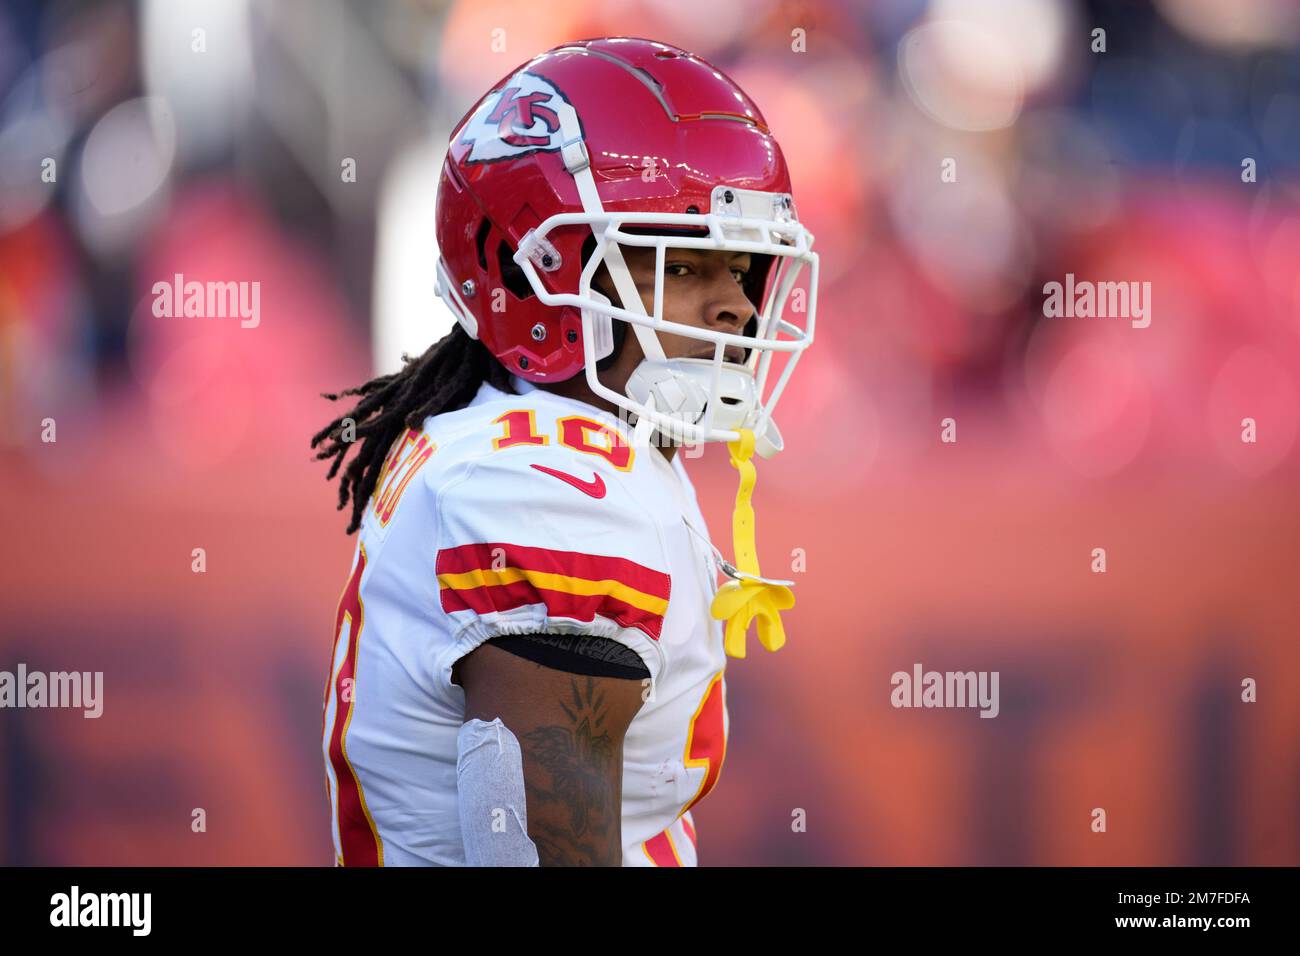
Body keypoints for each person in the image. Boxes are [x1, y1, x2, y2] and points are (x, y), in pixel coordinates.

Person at [312, 36, 818, 866]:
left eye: (745, 269)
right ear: (531, 276)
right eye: (686, 264)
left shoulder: (517, 439)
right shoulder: (552, 492)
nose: (734, 307)